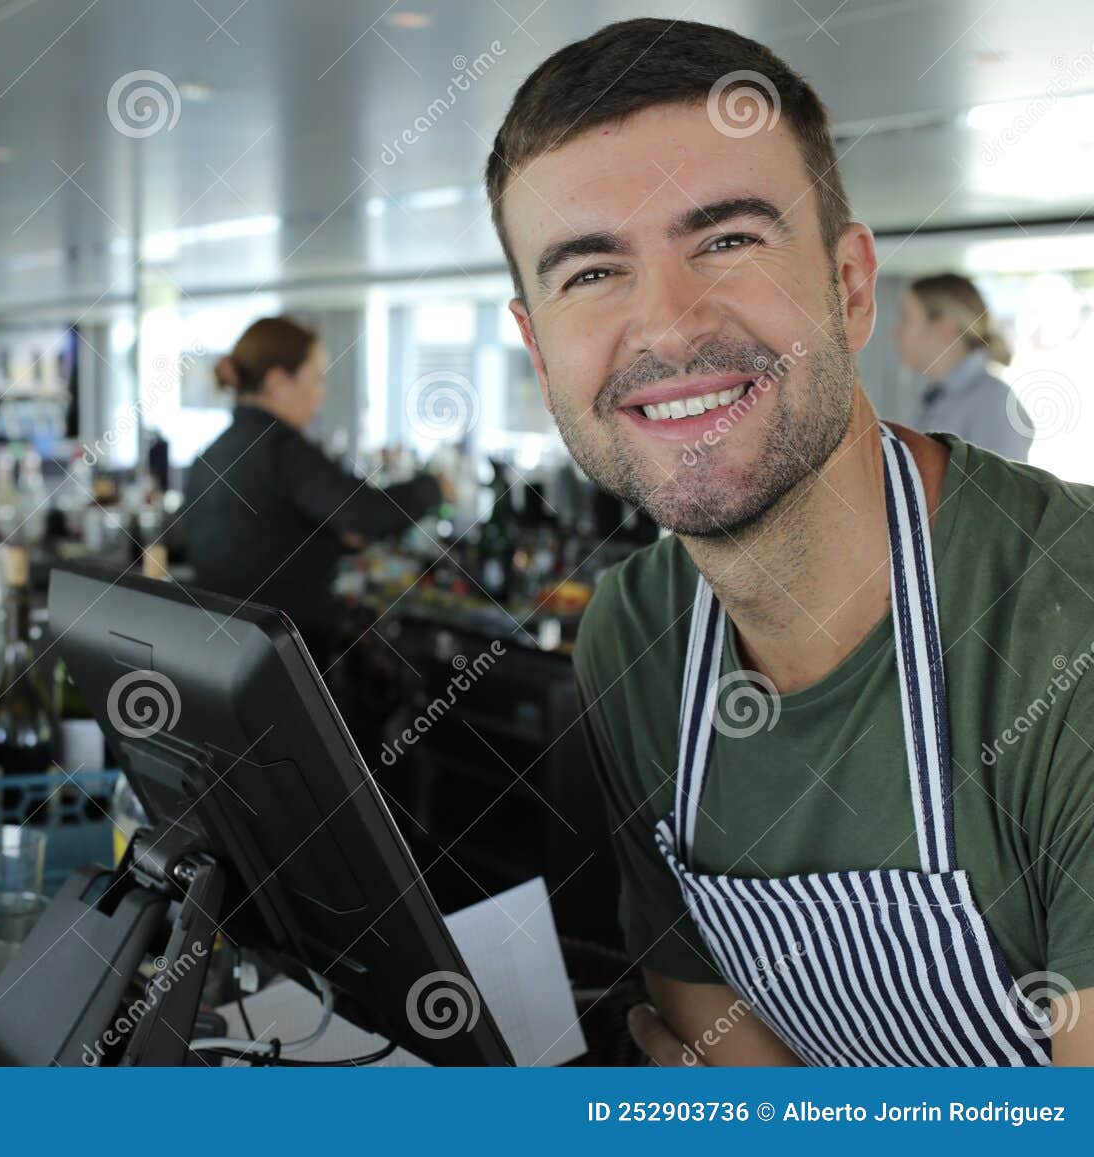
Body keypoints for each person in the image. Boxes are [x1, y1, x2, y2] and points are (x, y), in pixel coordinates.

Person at [487, 18, 1094, 1065]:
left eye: (727, 239)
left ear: (850, 287)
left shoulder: (1065, 614)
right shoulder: (634, 633)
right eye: (590, 272)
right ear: (539, 352)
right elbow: (715, 1030)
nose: (669, 325)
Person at [181, 316, 448, 669]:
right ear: (278, 382)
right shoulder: (280, 447)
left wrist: (332, 538)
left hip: (222, 656)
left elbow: (262, 538)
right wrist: (435, 487)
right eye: (317, 379)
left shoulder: (209, 456)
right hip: (287, 657)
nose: (321, 394)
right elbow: (368, 514)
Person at [895, 272, 1031, 460]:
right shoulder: (938, 398)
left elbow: (999, 480)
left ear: (945, 327)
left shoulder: (993, 402)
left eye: (906, 318)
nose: (896, 331)